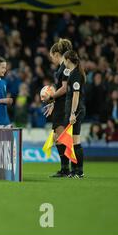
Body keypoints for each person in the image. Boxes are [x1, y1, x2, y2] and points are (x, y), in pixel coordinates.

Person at [43, 39, 73, 177]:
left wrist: (51, 96)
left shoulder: (64, 69)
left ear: (56, 54)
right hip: (59, 105)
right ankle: (65, 168)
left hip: (63, 107)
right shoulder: (61, 68)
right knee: (57, 137)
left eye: (51, 57)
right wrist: (53, 102)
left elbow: (65, 88)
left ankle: (66, 169)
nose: (52, 60)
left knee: (60, 137)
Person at [63, 50, 87, 178]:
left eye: (64, 59)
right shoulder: (73, 73)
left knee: (75, 141)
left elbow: (76, 95)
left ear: (68, 60)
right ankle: (74, 170)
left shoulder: (76, 74)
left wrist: (73, 113)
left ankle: (79, 171)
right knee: (71, 141)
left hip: (76, 111)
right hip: (72, 110)